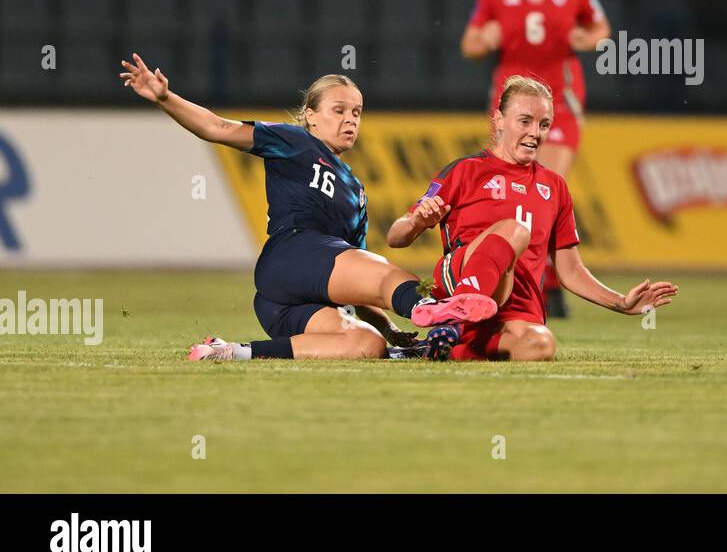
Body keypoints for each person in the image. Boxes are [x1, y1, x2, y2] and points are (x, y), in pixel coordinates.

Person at [118, 54, 495, 360]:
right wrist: (166, 98)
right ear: (310, 115)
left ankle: (230, 352)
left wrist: (389, 330)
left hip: (281, 305)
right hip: (290, 257)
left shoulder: (356, 192)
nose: (350, 119)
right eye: (339, 110)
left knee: (365, 346)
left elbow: (356, 282)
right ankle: (430, 306)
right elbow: (217, 128)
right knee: (388, 274)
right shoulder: (293, 140)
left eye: (357, 112)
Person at [387, 75, 677, 360]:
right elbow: (396, 237)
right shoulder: (465, 170)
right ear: (499, 120)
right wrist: (417, 222)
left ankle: (441, 346)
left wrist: (621, 302)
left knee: (540, 345)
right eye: (525, 121)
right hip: (459, 280)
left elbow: (570, 270)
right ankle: (455, 320)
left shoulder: (555, 187)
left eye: (544, 124)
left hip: (518, 308)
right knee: (515, 231)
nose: (535, 133)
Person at [459, 0, 611, 317]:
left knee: (547, 185)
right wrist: (486, 37)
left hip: (559, 97)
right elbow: (470, 43)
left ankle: (549, 285)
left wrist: (589, 38)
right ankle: (511, 278)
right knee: (512, 186)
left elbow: (600, 27)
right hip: (510, 97)